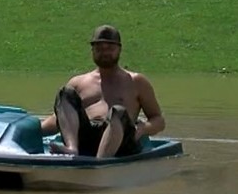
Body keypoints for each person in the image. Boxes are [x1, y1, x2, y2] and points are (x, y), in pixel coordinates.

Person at [39, 24, 166, 157]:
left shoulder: (137, 82)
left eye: (110, 48)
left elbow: (158, 119)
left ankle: (102, 162)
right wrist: (34, 130)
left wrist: (144, 128)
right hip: (86, 138)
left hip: (120, 140)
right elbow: (61, 119)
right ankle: (72, 148)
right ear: (92, 50)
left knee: (118, 111)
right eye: (99, 48)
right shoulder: (78, 83)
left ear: (119, 50)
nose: (105, 52)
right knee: (65, 92)